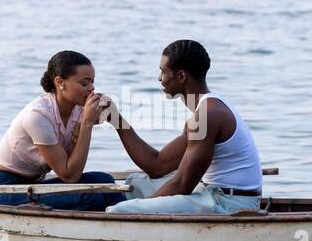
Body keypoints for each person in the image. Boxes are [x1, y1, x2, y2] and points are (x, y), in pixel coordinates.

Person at [103, 40, 263, 215]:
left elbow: (182, 185)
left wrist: (141, 207)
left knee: (119, 211)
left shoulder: (208, 115)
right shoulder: (205, 111)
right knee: (135, 183)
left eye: (163, 72)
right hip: (213, 193)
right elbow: (157, 165)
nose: (159, 78)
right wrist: (116, 119)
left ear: (181, 77)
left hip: (231, 204)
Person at [0, 51, 120, 211]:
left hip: (32, 186)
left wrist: (108, 109)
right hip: (0, 189)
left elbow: (111, 114)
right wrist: (86, 124)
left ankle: (127, 223)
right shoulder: (38, 116)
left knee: (105, 181)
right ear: (60, 82)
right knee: (89, 196)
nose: (92, 88)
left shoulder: (80, 108)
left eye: (93, 82)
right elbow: (69, 176)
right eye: (84, 83)